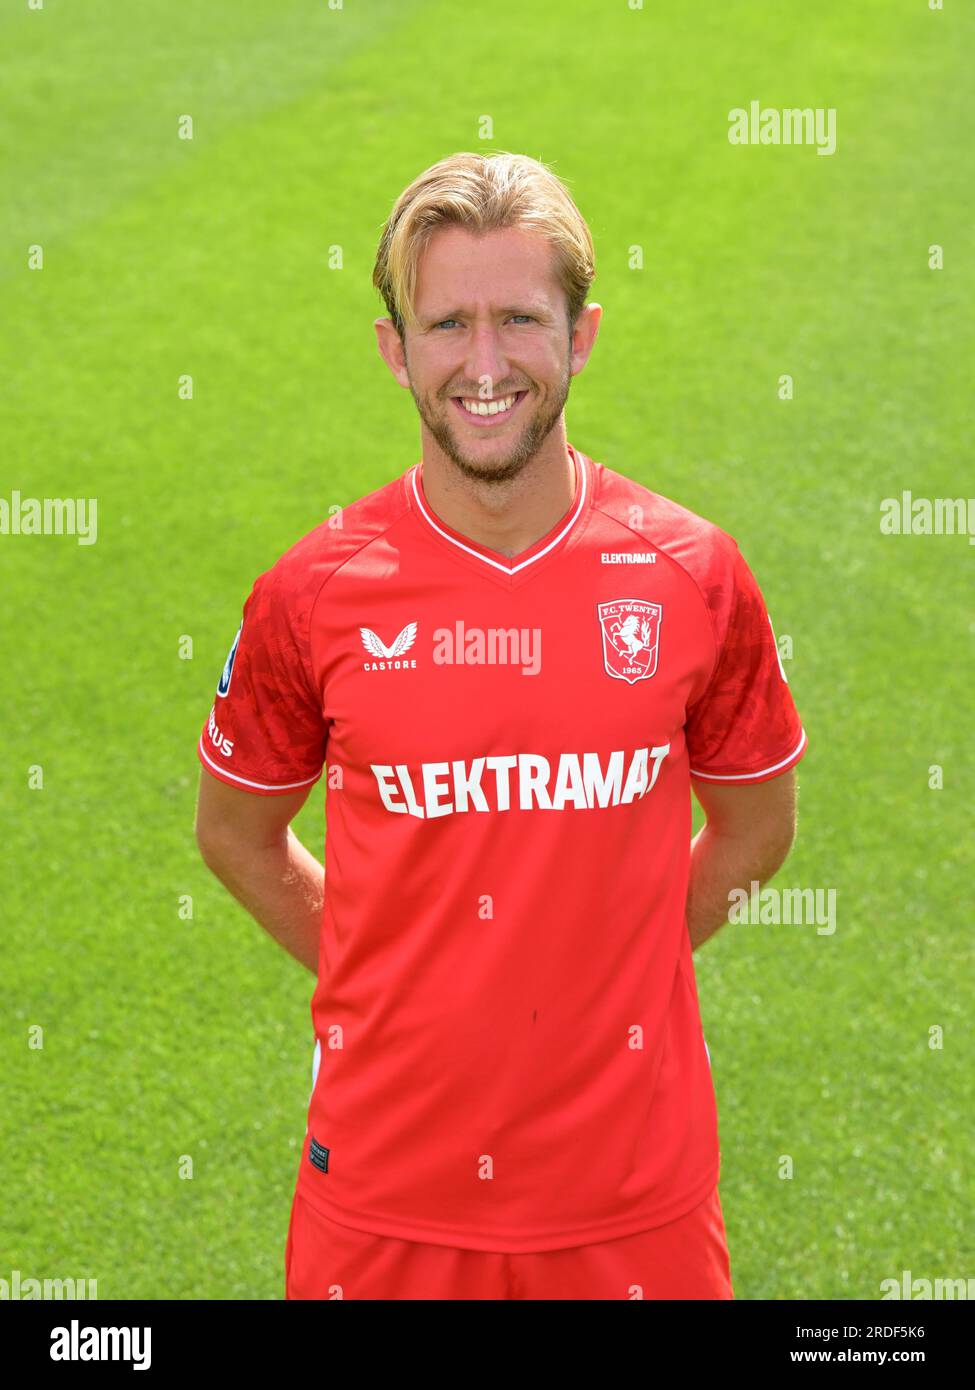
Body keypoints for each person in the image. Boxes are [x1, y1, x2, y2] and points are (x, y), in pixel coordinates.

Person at [194, 151, 809, 1300]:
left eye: (521, 320)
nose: (485, 366)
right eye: (447, 325)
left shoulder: (692, 573)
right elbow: (234, 834)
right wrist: (392, 977)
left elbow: (757, 828)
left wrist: (615, 971)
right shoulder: (314, 593)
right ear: (396, 351)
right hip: (384, 1198)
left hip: (633, 1199)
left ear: (580, 336)